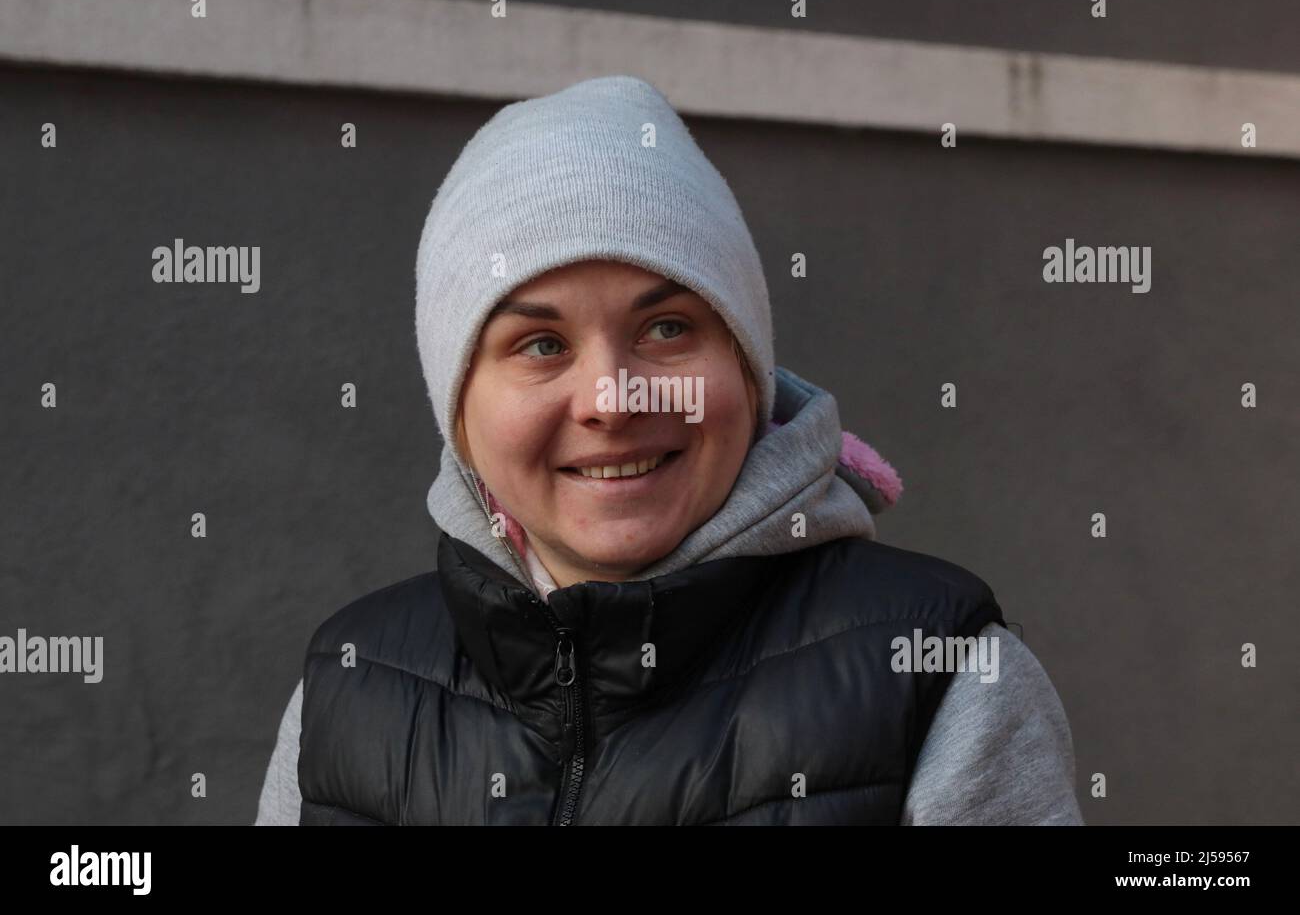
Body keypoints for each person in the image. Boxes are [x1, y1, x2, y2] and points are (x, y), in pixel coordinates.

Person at [255, 74, 1082, 825]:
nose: (614, 400)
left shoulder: (942, 675)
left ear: (747, 372)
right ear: (458, 410)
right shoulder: (348, 688)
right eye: (540, 344)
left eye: (667, 328)